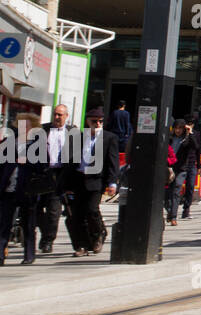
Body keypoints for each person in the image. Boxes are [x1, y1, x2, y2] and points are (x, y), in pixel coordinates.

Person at [66, 107, 118, 256]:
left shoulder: (109, 138)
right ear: (88, 122)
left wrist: (112, 182)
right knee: (77, 214)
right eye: (94, 121)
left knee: (92, 210)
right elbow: (71, 161)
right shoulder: (79, 137)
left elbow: (113, 161)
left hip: (96, 180)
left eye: (101, 121)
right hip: (79, 179)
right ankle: (81, 245)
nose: (98, 124)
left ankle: (98, 235)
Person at [33, 104, 73, 253]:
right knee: (36, 208)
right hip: (43, 174)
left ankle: (48, 240)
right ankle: (45, 233)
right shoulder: (42, 130)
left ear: (66, 116)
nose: (57, 117)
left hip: (60, 175)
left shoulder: (72, 133)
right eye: (55, 114)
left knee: (54, 211)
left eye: (60, 115)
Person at [0, 124, 33, 265]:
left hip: (27, 192)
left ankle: (29, 255)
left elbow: (43, 166)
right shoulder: (7, 145)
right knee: (4, 224)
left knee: (28, 224)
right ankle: (0, 255)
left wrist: (27, 161)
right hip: (8, 190)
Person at [165, 118, 201, 225]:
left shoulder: (187, 139)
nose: (178, 131)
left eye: (180, 128)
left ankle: (173, 217)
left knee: (176, 189)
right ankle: (170, 211)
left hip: (182, 168)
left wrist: (190, 133)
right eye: (176, 128)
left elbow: (196, 147)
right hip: (169, 168)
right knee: (167, 193)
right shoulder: (170, 139)